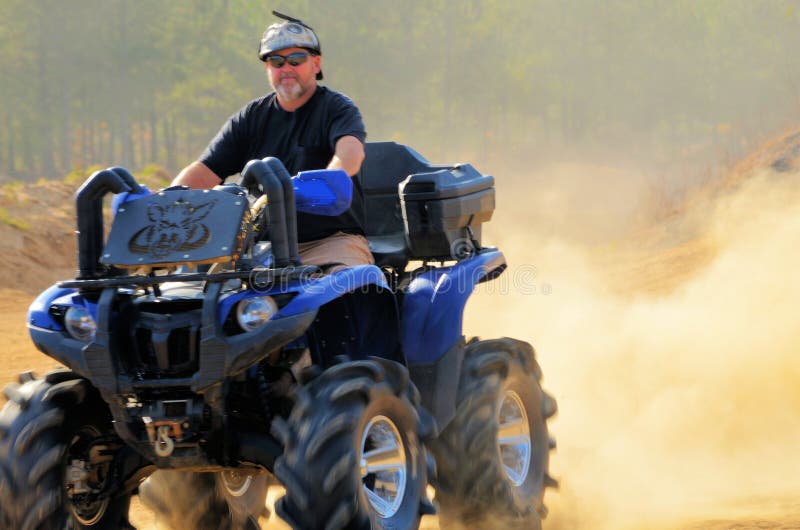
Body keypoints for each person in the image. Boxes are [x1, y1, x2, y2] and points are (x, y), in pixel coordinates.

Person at [172, 11, 373, 270]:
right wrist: (163, 203)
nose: (286, 68)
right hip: (257, 248)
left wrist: (326, 183)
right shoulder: (251, 117)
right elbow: (204, 172)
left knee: (343, 284)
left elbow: (350, 155)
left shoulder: (337, 108)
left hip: (328, 242)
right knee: (192, 290)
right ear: (268, 68)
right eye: (277, 61)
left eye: (297, 59)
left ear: (316, 64)